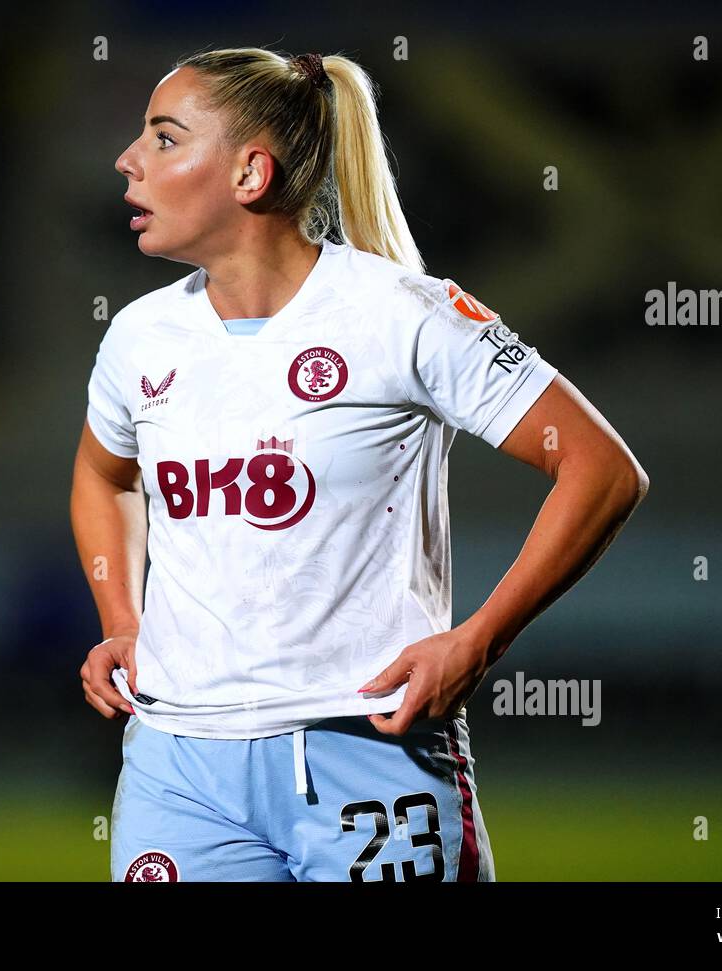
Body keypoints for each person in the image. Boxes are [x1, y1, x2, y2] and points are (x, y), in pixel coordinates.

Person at [70, 48, 648, 882]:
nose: (128, 159)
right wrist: (121, 617)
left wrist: (477, 641)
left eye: (163, 138)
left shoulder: (401, 314)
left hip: (368, 749)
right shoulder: (138, 337)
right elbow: (104, 476)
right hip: (180, 766)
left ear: (249, 172)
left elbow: (600, 469)